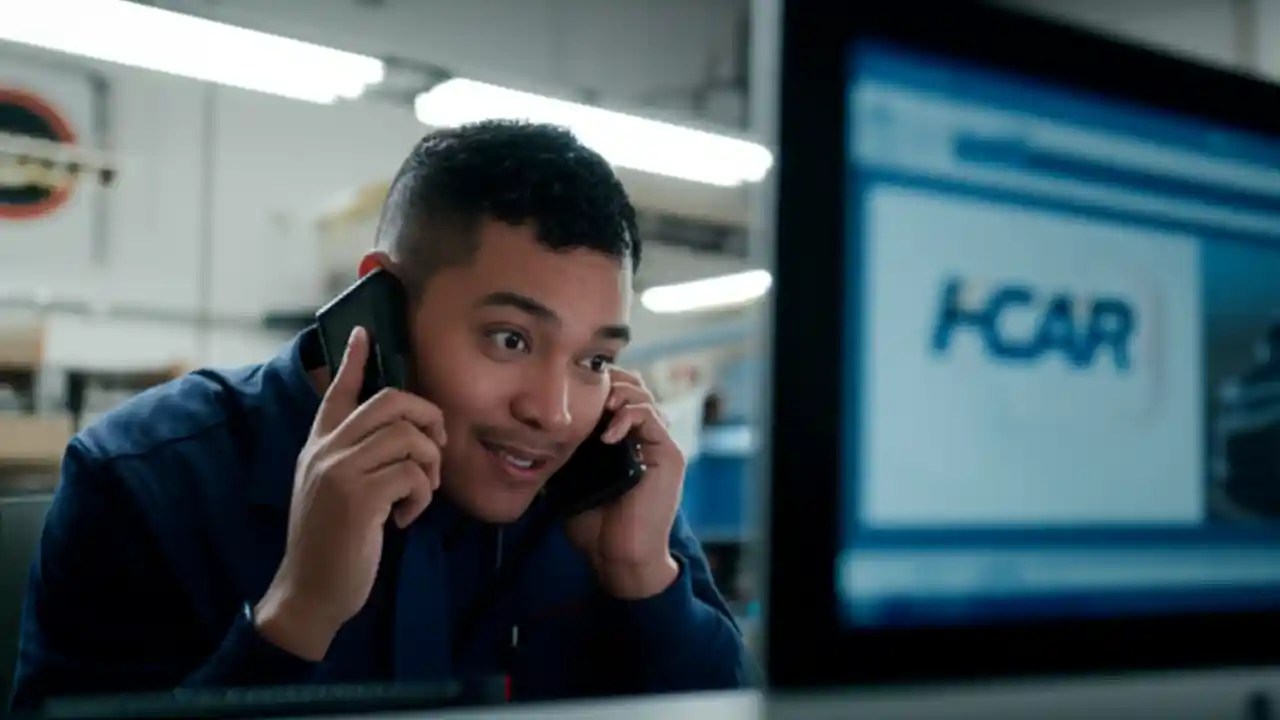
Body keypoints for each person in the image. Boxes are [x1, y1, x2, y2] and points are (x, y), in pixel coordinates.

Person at [10, 120, 752, 711]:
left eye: (593, 360)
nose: (554, 414)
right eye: (510, 339)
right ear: (385, 305)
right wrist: (296, 617)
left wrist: (643, 578)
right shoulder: (146, 479)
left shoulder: (604, 490)